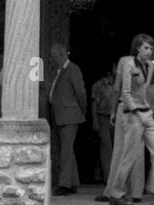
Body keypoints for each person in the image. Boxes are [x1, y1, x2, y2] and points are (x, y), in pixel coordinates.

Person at [99, 33, 154, 205]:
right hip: (133, 112)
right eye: (146, 48)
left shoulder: (150, 65)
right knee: (129, 155)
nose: (149, 51)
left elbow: (150, 85)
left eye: (151, 48)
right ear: (138, 48)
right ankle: (116, 193)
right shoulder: (128, 63)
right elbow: (124, 92)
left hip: (147, 112)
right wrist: (132, 111)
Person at [47, 43, 86, 194]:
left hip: (69, 115)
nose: (51, 59)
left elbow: (80, 92)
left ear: (61, 55)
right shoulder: (60, 71)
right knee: (67, 150)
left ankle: (64, 185)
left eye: (54, 56)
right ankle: (73, 181)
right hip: (60, 115)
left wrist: (83, 109)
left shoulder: (73, 69)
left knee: (66, 150)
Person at [91, 60, 118, 183]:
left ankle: (117, 178)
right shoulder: (99, 85)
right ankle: (108, 178)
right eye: (115, 67)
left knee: (117, 148)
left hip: (117, 119)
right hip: (103, 118)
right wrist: (95, 121)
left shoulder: (120, 84)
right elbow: (94, 103)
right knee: (106, 148)